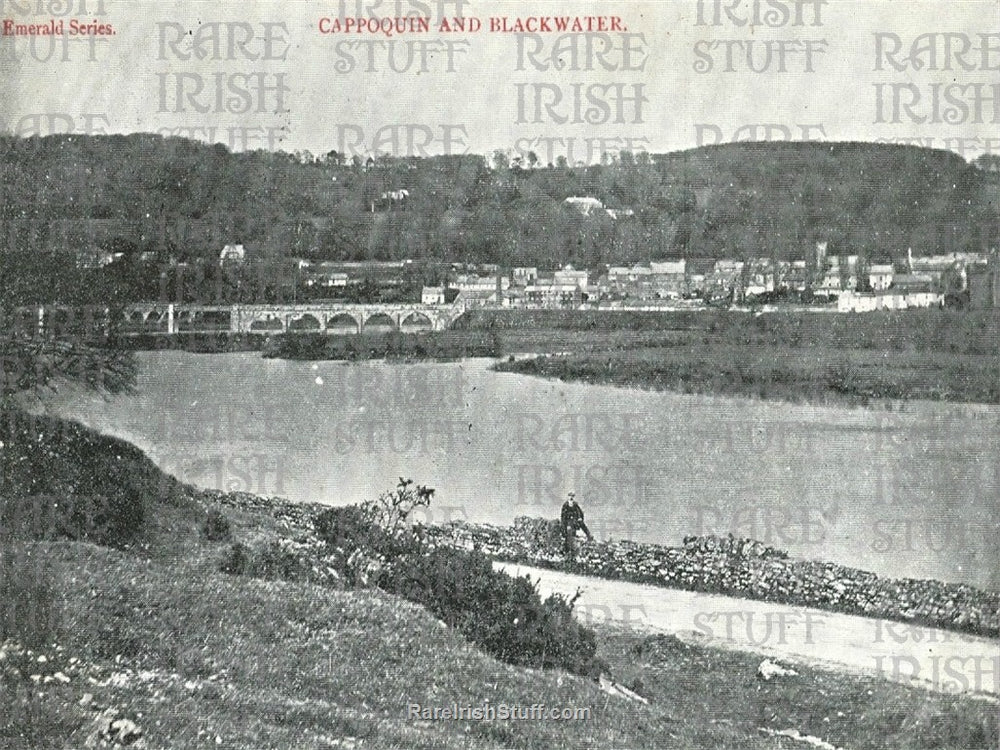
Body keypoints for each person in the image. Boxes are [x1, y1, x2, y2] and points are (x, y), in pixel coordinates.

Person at [560, 492, 593, 556]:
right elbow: (563, 515)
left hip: (575, 519)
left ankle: (588, 535)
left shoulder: (575, 504)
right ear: (568, 497)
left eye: (572, 496)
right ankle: (566, 547)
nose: (571, 497)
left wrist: (580, 517)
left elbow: (579, 512)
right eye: (570, 496)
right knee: (567, 533)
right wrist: (564, 523)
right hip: (568, 520)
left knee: (581, 523)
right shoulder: (565, 505)